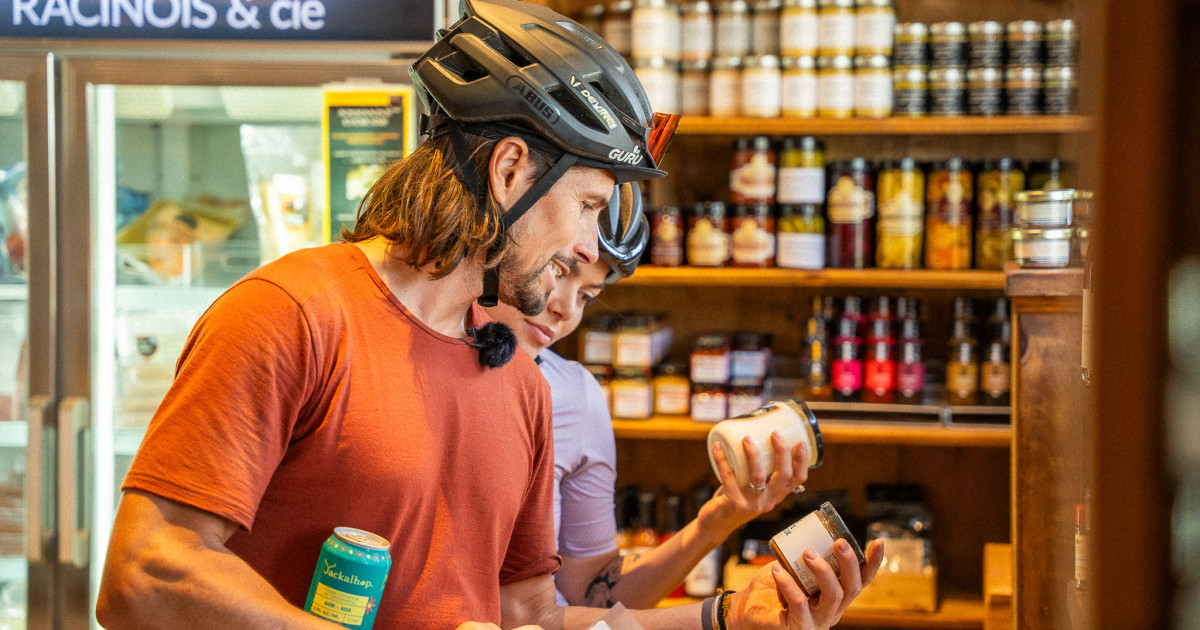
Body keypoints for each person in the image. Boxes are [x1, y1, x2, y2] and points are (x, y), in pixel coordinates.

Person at [94, 0, 877, 628]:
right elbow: (144, 571)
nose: (583, 245)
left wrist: (729, 617)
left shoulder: (519, 385)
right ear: (510, 171)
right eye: (586, 206)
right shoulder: (291, 314)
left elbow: (531, 618)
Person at [483, 196, 885, 620]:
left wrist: (715, 523)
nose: (564, 309)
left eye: (587, 295)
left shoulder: (577, 397)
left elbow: (591, 598)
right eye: (558, 270)